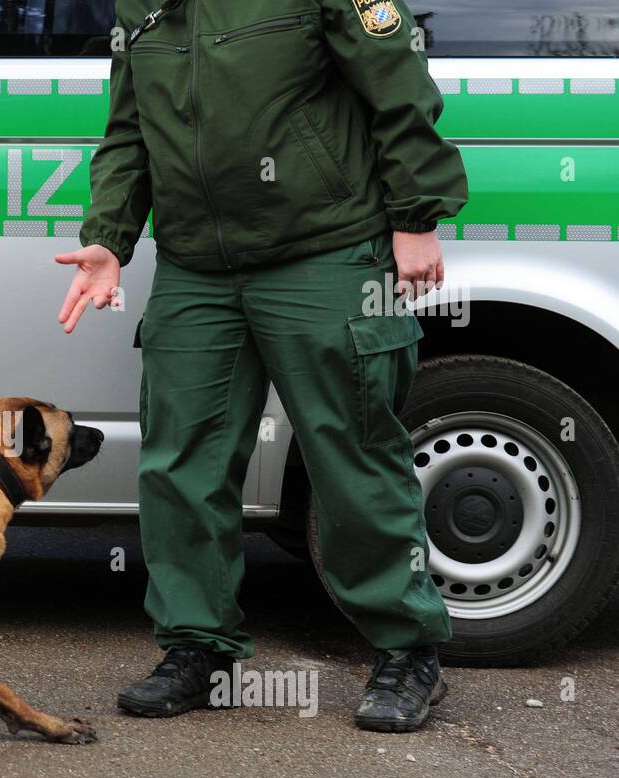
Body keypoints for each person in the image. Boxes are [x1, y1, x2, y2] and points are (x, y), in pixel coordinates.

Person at [56, 0, 469, 731]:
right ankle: (197, 646)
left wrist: (416, 215)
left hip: (325, 248)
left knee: (352, 452)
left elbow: (397, 78)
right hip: (196, 265)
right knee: (181, 459)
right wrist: (111, 238)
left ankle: (408, 651)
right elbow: (128, 132)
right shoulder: (141, 4)